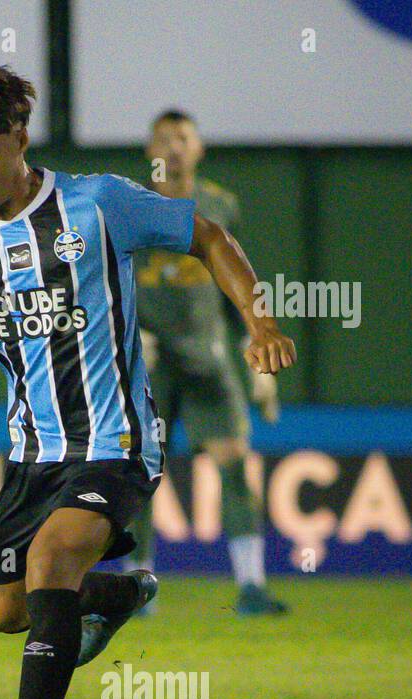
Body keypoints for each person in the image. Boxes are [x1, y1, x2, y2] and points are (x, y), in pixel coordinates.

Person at [0, 66, 295, 699]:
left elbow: (205, 234)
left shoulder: (98, 203)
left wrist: (259, 320)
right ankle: (115, 594)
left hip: (115, 442)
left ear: (20, 139)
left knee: (50, 562)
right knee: (5, 613)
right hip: (30, 457)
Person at [128, 109, 287, 615]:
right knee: (137, 476)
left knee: (236, 466)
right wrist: (126, 337)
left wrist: (258, 359)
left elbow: (237, 282)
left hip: (208, 354)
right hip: (149, 360)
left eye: (183, 137)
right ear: (150, 150)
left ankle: (251, 587)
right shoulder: (129, 205)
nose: (173, 146)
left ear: (198, 148)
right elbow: (101, 279)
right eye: (164, 138)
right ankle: (136, 592)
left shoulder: (220, 205)